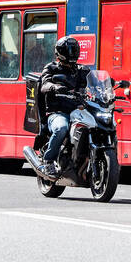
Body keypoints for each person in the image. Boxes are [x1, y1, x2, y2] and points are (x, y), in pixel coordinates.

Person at [36, 37, 89, 180]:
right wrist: (54, 87)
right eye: (69, 51)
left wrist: (113, 82)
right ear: (60, 52)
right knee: (61, 128)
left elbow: (95, 81)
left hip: (78, 112)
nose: (72, 53)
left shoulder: (82, 70)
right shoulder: (51, 68)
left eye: (74, 50)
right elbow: (44, 85)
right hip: (58, 112)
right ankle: (48, 161)